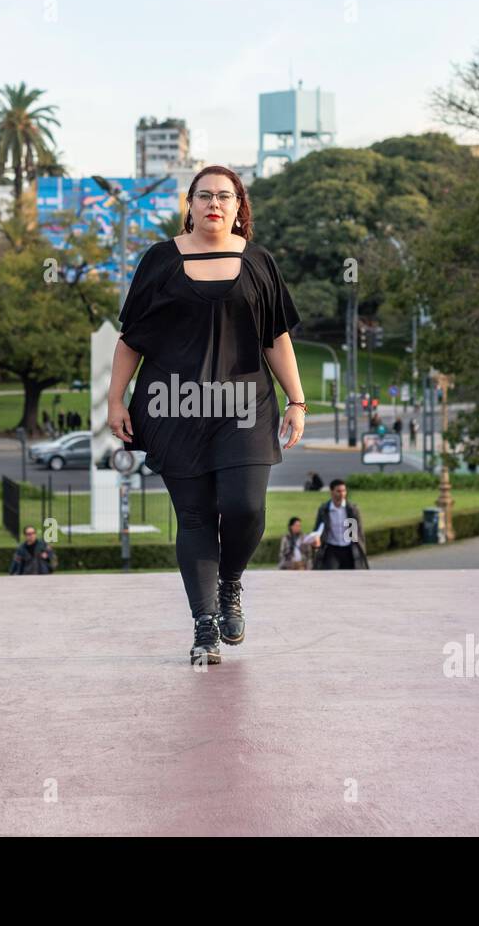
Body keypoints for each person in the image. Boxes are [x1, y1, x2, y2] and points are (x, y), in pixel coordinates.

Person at [108, 165, 305, 665]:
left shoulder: (260, 262)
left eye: (225, 196)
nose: (214, 204)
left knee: (246, 509)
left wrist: (297, 400)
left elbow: (275, 338)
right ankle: (204, 626)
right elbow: (131, 339)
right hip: (173, 406)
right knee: (194, 516)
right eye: (204, 196)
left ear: (240, 207)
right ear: (190, 205)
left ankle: (230, 581)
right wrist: (115, 400)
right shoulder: (160, 260)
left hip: (245, 408)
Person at [312, 479, 370, 569]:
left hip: (348, 548)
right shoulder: (324, 510)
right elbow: (318, 528)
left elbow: (358, 532)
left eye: (344, 491)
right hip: (331, 548)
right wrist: (316, 539)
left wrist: (361, 550)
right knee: (331, 575)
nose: (342, 494)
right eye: (338, 491)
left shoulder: (352, 509)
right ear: (331, 492)